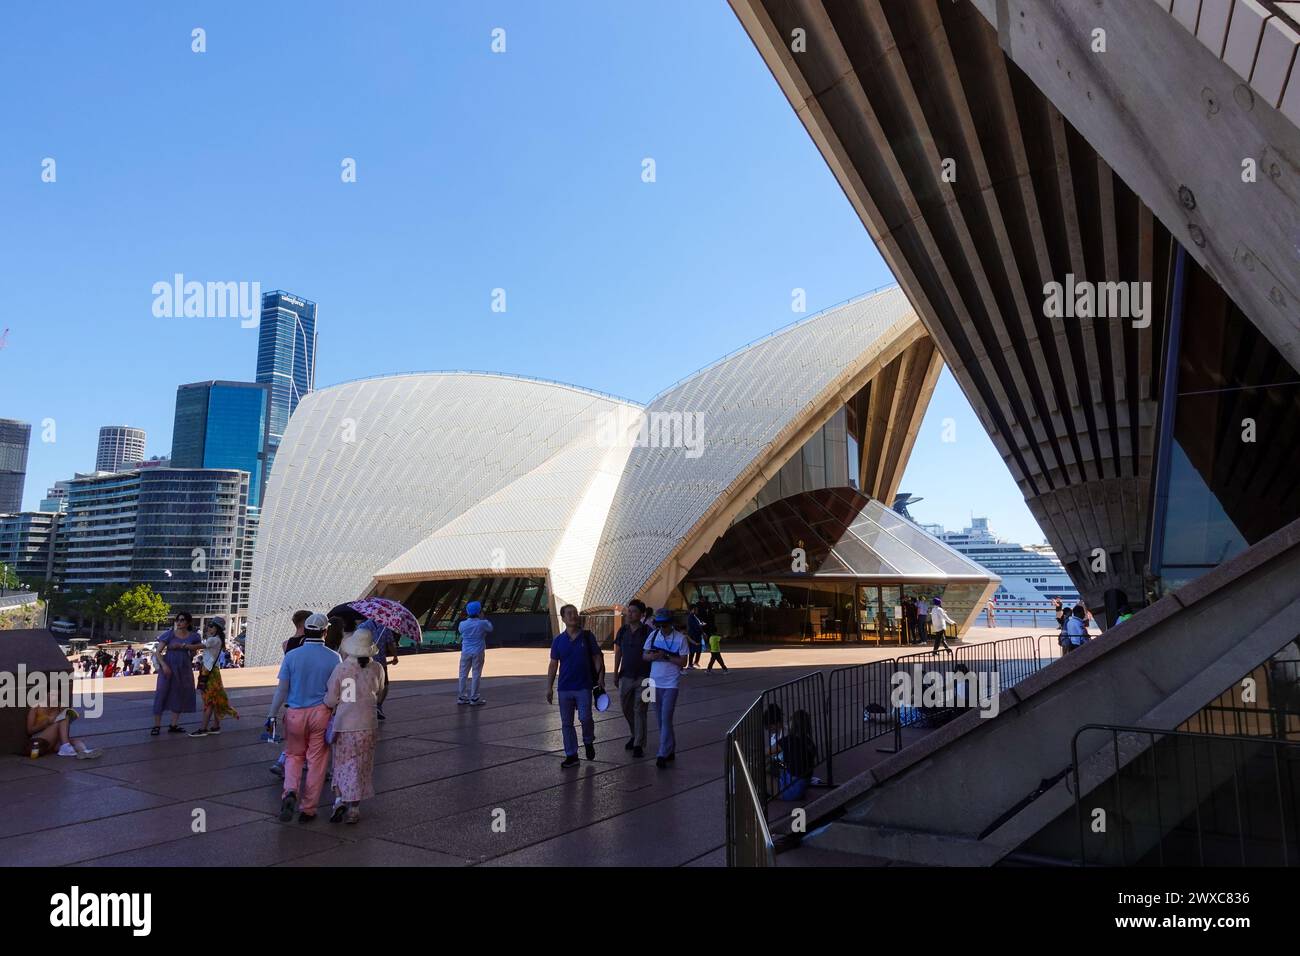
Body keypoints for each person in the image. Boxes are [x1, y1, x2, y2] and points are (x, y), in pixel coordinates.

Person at [266, 611, 340, 823]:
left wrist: (272, 714)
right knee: (317, 761)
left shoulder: (292, 656)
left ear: (305, 630)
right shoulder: (334, 657)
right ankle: (308, 808)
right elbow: (337, 690)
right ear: (325, 632)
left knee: (293, 756)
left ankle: (290, 791)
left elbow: (282, 689)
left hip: (294, 713)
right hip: (321, 713)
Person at [324, 624, 384, 824]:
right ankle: (354, 809)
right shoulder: (377, 668)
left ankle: (339, 799)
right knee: (362, 765)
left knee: (342, 763)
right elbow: (380, 691)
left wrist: (329, 705)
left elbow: (331, 698)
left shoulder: (342, 668)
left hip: (345, 724)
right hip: (368, 723)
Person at [271, 612, 330, 777]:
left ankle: (287, 771)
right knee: (313, 739)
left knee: (295, 739)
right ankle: (312, 771)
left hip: (294, 696)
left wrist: (272, 713)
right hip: (315, 700)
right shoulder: (316, 647)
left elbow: (284, 681)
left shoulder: (286, 644)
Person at [546, 604, 605, 769]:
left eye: (575, 613)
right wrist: (549, 687)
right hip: (564, 687)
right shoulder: (558, 640)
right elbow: (553, 664)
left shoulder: (587, 637)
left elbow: (597, 657)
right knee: (566, 723)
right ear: (563, 618)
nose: (573, 616)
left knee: (585, 718)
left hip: (584, 686)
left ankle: (588, 740)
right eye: (569, 613)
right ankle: (571, 755)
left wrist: (600, 677)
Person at [644, 609, 688, 769]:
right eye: (660, 625)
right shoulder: (653, 635)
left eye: (665, 624)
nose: (662, 628)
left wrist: (667, 656)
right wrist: (654, 656)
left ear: (671, 623)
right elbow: (644, 656)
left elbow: (683, 662)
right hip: (653, 682)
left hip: (671, 684)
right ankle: (670, 748)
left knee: (666, 718)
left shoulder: (681, 638)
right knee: (660, 719)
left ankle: (662, 753)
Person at [150, 612, 202, 736]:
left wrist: (186, 648)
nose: (179, 622)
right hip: (168, 666)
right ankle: (156, 725)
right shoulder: (169, 634)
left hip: (184, 667)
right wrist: (164, 665)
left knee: (179, 693)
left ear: (188, 622)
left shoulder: (193, 636)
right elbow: (158, 652)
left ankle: (173, 724)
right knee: (162, 693)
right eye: (177, 620)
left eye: (182, 620)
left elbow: (194, 652)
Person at [613, 599, 651, 758]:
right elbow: (618, 652)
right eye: (629, 611)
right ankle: (635, 734)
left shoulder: (649, 632)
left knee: (641, 710)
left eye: (634, 611)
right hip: (626, 676)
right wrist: (615, 672)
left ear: (641, 614)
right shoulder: (622, 631)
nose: (630, 614)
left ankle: (638, 744)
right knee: (626, 708)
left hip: (646, 678)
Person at [189, 617, 239, 736]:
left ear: (217, 628)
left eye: (211, 626)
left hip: (208, 671)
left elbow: (199, 646)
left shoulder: (213, 640)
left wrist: (183, 646)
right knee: (215, 699)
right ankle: (216, 726)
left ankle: (203, 729)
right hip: (213, 671)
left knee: (209, 701)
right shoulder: (218, 640)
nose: (208, 627)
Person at [24, 705, 101, 759]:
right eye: (52, 695)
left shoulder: (58, 707)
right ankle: (65, 747)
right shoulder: (35, 709)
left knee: (75, 742)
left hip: (53, 741)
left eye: (57, 696)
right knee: (63, 717)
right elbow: (30, 730)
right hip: (39, 740)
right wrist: (44, 724)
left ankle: (84, 751)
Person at [774, 709, 818, 800]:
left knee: (761, 776)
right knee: (776, 768)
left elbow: (767, 752)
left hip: (792, 790)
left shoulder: (789, 740)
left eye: (790, 721)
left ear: (793, 724)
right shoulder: (809, 742)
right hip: (803, 785)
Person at [358, 619, 397, 720]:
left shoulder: (363, 626)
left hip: (365, 661)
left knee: (367, 684)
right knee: (384, 684)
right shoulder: (385, 627)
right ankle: (378, 705)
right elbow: (390, 643)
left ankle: (367, 706)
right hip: (380, 662)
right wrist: (395, 656)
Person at [457, 600, 492, 706]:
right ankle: (474, 698)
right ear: (479, 612)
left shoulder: (462, 624)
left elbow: (461, 632)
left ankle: (462, 697)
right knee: (476, 674)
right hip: (478, 651)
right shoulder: (482, 623)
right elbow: (490, 628)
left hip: (465, 651)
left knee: (463, 674)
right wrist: (483, 618)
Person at [686, 605, 706, 669]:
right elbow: (695, 626)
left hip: (697, 635)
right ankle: (690, 664)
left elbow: (697, 625)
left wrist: (701, 631)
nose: (697, 611)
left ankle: (695, 662)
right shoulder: (691, 617)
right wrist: (701, 629)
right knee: (692, 651)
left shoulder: (694, 617)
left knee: (698, 650)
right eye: (696, 609)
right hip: (693, 635)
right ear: (692, 610)